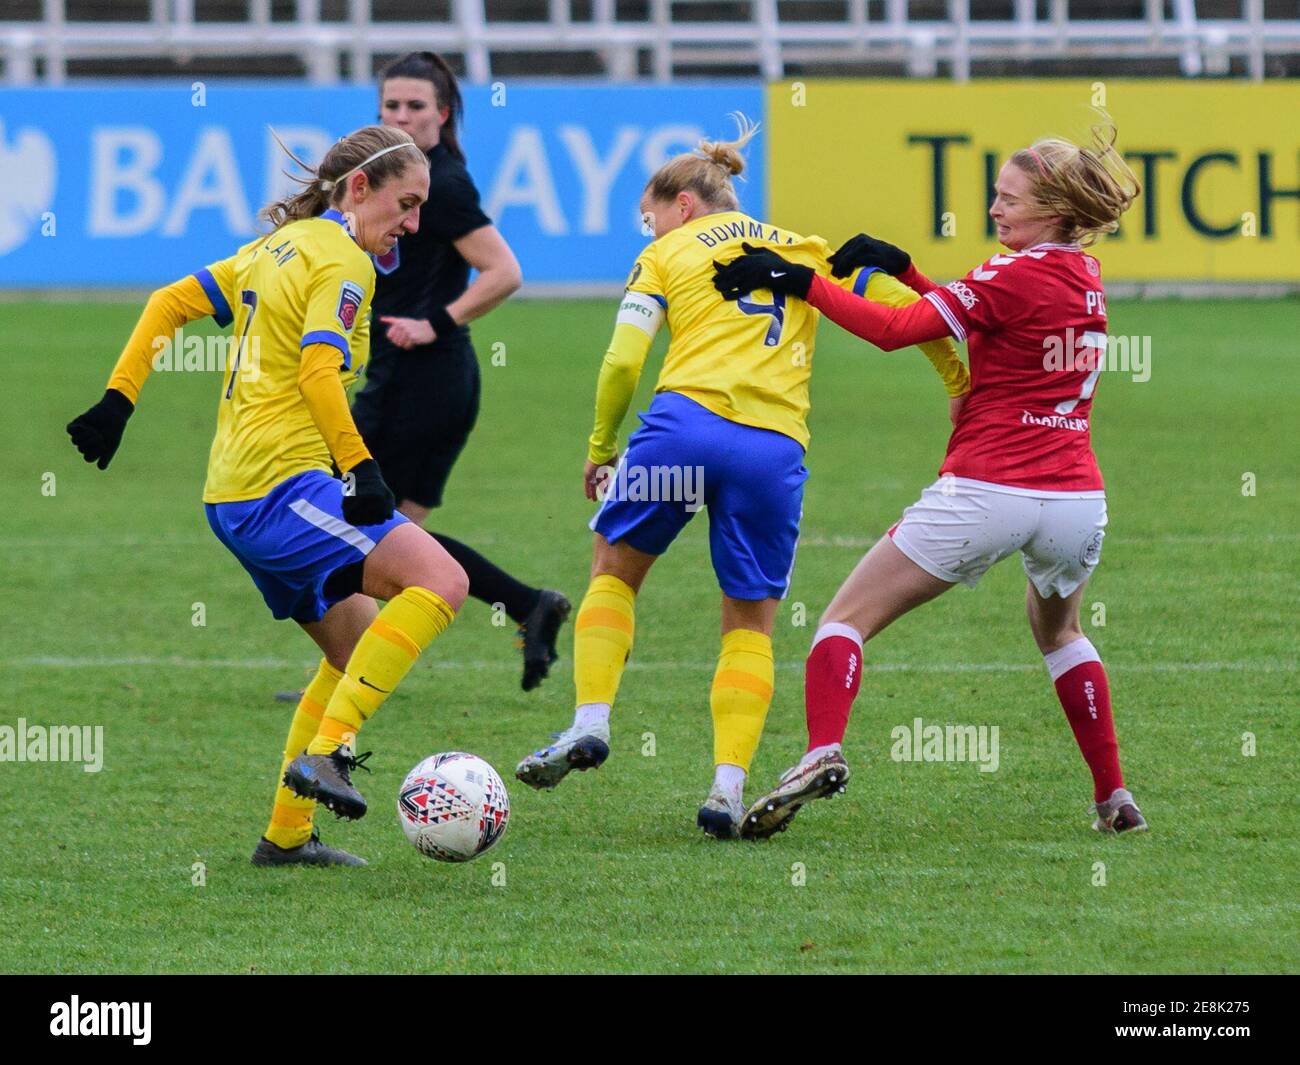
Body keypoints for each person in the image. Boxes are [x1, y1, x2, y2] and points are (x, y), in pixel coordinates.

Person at [514, 115, 971, 839]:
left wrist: (601, 446)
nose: (649, 231)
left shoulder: (667, 256)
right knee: (749, 620)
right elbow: (924, 318)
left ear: (684, 204)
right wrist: (956, 384)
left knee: (614, 571)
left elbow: (625, 362)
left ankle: (589, 721)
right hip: (772, 452)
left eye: (650, 217)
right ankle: (727, 788)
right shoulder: (805, 250)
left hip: (681, 434)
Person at [713, 117, 1146, 838]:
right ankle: (1115, 797)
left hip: (987, 491)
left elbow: (895, 331)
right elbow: (982, 320)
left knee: (842, 621)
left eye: (1010, 200)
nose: (995, 209)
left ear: (1057, 212)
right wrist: (906, 269)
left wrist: (798, 280)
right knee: (1061, 630)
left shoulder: (1010, 273)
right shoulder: (1086, 276)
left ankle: (819, 751)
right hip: (1075, 499)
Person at [67, 125, 469, 867]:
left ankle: (285, 836)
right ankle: (328, 754)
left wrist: (118, 401)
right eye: (406, 203)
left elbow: (167, 303)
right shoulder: (346, 260)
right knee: (443, 579)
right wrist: (361, 468)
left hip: (235, 491)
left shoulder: (278, 246)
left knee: (355, 647)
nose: (413, 223)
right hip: (283, 486)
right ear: (359, 188)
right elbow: (320, 371)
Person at [356, 50, 570, 691]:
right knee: (391, 532)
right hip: (423, 381)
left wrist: (434, 323)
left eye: (415, 106)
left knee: (362, 525)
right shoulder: (405, 175)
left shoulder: (441, 184)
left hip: (421, 383)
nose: (401, 115)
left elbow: (504, 271)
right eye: (390, 105)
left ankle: (351, 665)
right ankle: (529, 605)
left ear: (442, 114)